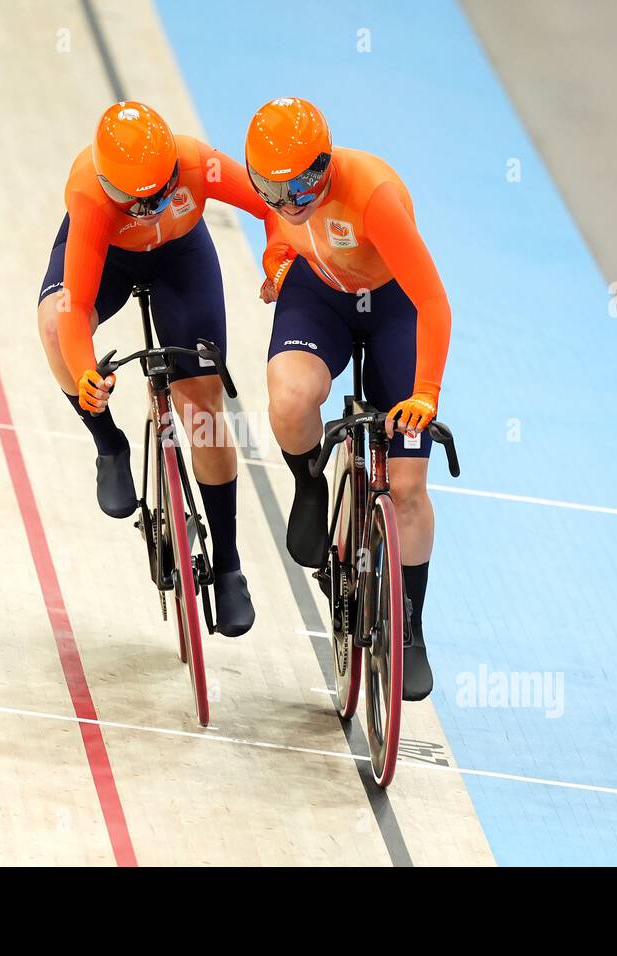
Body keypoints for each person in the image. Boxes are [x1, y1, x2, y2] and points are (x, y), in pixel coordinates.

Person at [245, 97, 452, 698]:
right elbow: (279, 227)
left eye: (297, 190)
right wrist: (278, 257)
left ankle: (409, 628)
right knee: (289, 399)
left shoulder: (372, 196)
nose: (285, 203)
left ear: (323, 165)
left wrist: (425, 395)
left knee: (409, 485)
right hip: (322, 296)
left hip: (392, 307)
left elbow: (434, 302)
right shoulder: (281, 195)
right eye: (270, 191)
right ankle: (310, 486)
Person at [37, 101, 268, 637]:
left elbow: (273, 204)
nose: (143, 208)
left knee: (203, 406)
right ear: (106, 184)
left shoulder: (195, 163)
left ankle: (229, 564)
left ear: (171, 173)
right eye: (130, 200)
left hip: (179, 258)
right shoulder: (91, 197)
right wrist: (86, 375)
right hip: (108, 259)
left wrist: (277, 251)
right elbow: (73, 312)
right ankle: (108, 443)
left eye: (155, 195)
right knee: (52, 326)